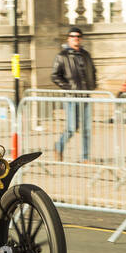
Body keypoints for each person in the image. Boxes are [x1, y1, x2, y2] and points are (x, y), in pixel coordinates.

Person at [50, 28, 97, 160]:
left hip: (86, 96)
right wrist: (69, 87)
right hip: (71, 97)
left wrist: (92, 85)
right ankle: (59, 146)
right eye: (73, 36)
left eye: (78, 36)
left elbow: (93, 71)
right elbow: (55, 76)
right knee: (71, 127)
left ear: (81, 38)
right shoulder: (62, 56)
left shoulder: (86, 55)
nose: (76, 38)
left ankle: (85, 157)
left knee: (87, 129)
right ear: (68, 38)